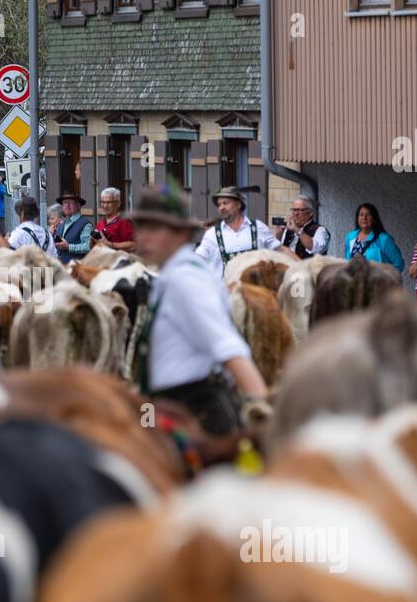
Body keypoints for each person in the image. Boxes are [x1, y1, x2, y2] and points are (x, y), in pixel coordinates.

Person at [132, 181, 267, 435]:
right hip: (161, 407)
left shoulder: (187, 280)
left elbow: (228, 348)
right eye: (140, 226)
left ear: (181, 234)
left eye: (155, 227)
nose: (144, 236)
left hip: (193, 413)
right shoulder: (171, 275)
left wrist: (261, 412)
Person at [195, 186, 281, 278]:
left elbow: (280, 250)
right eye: (219, 205)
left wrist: (297, 266)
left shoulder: (258, 227)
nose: (221, 208)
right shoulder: (212, 234)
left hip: (255, 290)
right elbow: (196, 260)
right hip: (225, 291)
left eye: (225, 203)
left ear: (238, 205)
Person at [344, 203, 405, 270]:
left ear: (374, 218)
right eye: (361, 215)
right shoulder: (350, 237)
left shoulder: (384, 239)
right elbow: (347, 262)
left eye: (368, 215)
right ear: (357, 218)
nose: (364, 218)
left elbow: (399, 264)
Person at [276, 194, 330, 259]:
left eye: (299, 210)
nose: (295, 213)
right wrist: (278, 237)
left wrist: (297, 230)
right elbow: (280, 251)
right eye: (294, 210)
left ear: (310, 213)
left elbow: (316, 249)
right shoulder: (288, 230)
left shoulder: (320, 230)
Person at [53, 192, 94, 265]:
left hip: (76, 269)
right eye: (65, 203)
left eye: (71, 202)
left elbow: (87, 246)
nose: (67, 205)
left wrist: (68, 247)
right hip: (62, 267)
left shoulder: (85, 224)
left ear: (78, 206)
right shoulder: (62, 223)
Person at [93, 187, 135, 253]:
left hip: (119, 261)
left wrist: (110, 244)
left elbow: (134, 245)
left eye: (109, 202)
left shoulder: (124, 222)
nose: (105, 205)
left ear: (118, 204)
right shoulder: (100, 224)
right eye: (103, 202)